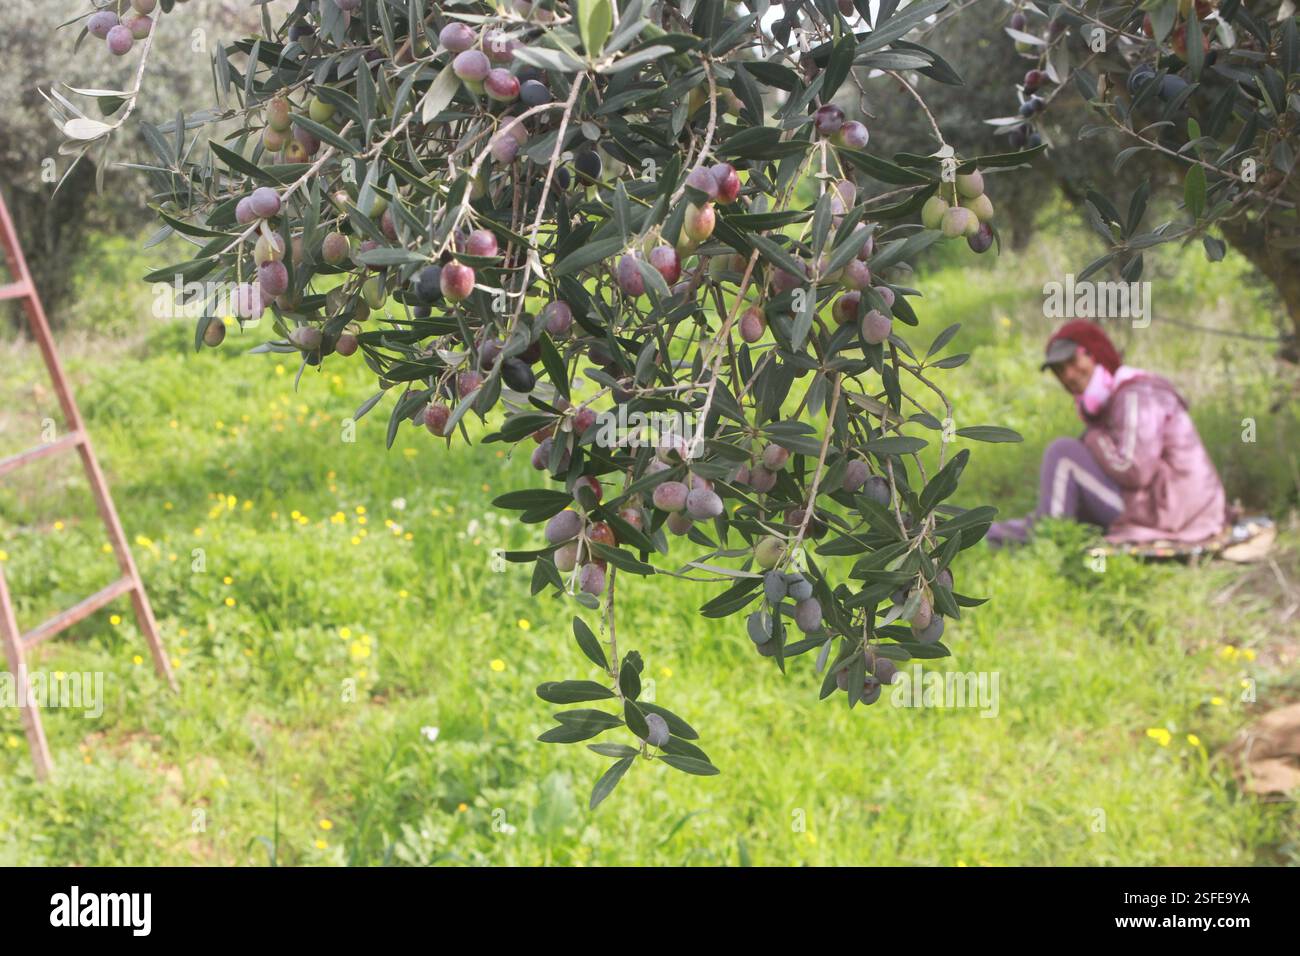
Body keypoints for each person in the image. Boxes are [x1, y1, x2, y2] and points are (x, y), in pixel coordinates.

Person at [986, 319, 1227, 547]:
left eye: (1073, 362)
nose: (1068, 375)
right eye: (1059, 370)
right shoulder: (1121, 395)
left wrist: (1093, 436)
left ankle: (1044, 536)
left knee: (1064, 454)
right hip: (1177, 507)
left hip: (1173, 513)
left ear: (1096, 354)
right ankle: (998, 530)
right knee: (1072, 462)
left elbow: (1135, 470)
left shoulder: (1135, 396)